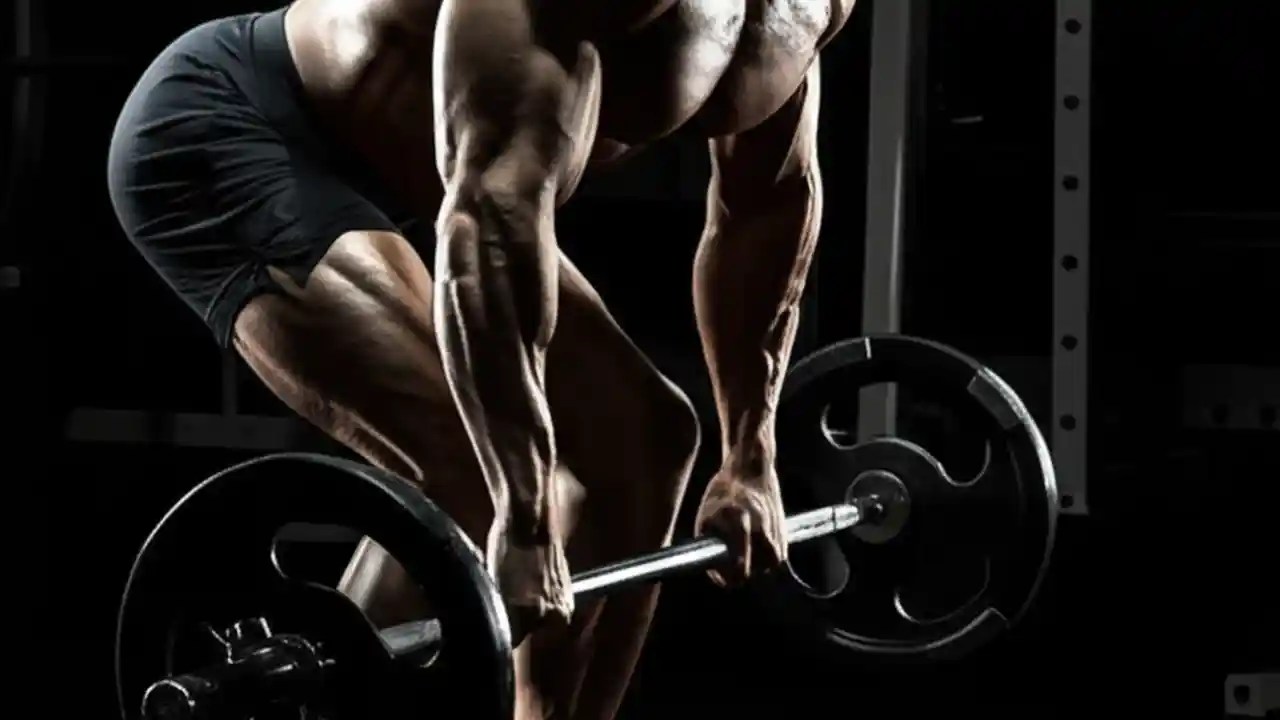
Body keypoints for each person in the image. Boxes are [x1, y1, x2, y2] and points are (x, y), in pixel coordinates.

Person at [107, 0, 855, 717]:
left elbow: (768, 204)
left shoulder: (810, 7)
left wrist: (750, 457)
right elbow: (493, 216)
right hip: (242, 126)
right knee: (489, 481)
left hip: (428, 179)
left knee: (652, 437)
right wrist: (524, 518)